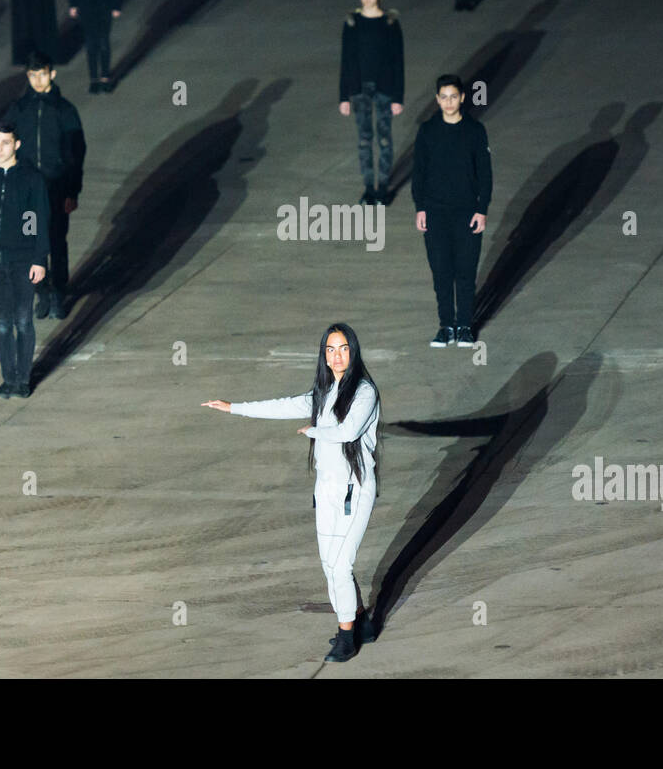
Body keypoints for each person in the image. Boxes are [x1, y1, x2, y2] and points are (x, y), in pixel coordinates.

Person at [203, 323, 381, 662]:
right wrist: (233, 407)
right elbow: (282, 406)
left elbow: (348, 431)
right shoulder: (323, 392)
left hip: (354, 491)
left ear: (353, 352)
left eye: (343, 348)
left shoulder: (364, 392)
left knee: (341, 565)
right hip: (325, 489)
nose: (336, 355)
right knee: (330, 565)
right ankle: (361, 621)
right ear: (324, 355)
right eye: (330, 349)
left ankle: (346, 636)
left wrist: (315, 430)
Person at [0, 121, 50, 398]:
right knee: (2, 322)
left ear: (16, 145)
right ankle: (8, 378)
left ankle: (23, 379)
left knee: (23, 320)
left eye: (5, 143)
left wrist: (39, 259)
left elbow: (38, 220)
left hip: (23, 259)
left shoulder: (31, 179)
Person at [2, 53, 85, 319]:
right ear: (27, 76)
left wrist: (72, 191)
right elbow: (3, 144)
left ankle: (60, 292)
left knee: (57, 241)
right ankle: (42, 292)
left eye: (42, 74)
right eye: (32, 75)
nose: (38, 80)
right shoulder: (19, 109)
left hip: (56, 186)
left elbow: (77, 153)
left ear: (52, 74)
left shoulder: (65, 110)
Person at [413, 75, 491, 348]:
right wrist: (420, 208)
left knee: (466, 271)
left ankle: (465, 326)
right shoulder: (427, 131)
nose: (448, 102)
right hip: (435, 212)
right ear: (437, 99)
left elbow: (485, 174)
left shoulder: (475, 131)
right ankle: (446, 326)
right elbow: (418, 173)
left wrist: (482, 210)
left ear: (462, 98)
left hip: (467, 212)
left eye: (453, 96)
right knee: (442, 272)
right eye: (443, 97)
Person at [338, 0, 404, 205]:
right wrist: (343, 97)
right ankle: (369, 188)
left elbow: (398, 60)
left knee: (384, 139)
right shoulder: (352, 23)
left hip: (385, 87)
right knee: (365, 139)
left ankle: (383, 187)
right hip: (359, 88)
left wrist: (399, 97)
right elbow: (346, 60)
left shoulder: (390, 23)